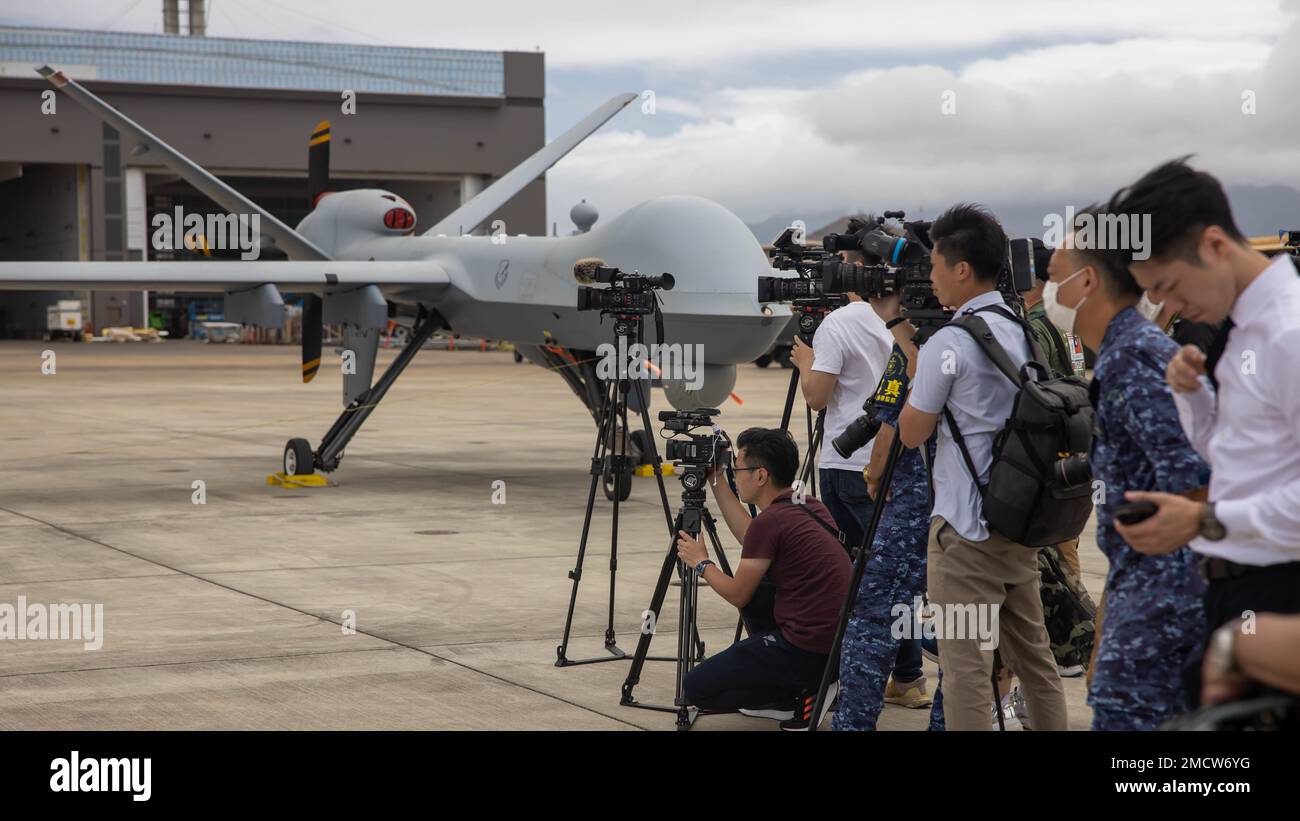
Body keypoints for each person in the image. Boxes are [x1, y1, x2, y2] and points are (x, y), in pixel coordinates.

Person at [1108, 159, 1300, 705]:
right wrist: (1194, 398)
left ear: (1215, 245)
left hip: (1280, 591)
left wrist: (1206, 518)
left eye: (1168, 286)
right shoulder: (1243, 330)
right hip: (1235, 586)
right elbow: (1240, 459)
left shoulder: (1288, 332)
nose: (1169, 308)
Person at [880, 202, 1068, 731]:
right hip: (1019, 520)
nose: (931, 278)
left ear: (962, 269)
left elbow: (913, 432)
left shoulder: (950, 342)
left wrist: (899, 331)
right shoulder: (1022, 328)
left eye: (936, 265)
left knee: (965, 671)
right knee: (1036, 663)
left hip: (965, 533)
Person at [1044, 205, 1210, 730]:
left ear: (1087, 280)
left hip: (1159, 606)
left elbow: (1194, 488)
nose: (1049, 292)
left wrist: (1136, 611)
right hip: (1149, 593)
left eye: (1053, 278)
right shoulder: (1130, 352)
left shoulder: (1131, 360)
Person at [790, 217, 928, 706]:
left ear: (853, 268)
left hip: (851, 467)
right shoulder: (911, 315)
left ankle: (871, 675)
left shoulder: (839, 323)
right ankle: (909, 677)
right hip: (901, 464)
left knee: (865, 578)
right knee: (901, 574)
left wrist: (806, 364)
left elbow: (818, 397)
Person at [676, 427, 851, 730]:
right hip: (839, 645)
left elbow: (737, 594)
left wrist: (701, 562)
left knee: (696, 689)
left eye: (738, 469)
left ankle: (806, 690)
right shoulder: (808, 504)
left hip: (806, 648)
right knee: (762, 594)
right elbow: (752, 536)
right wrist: (717, 479)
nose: (735, 475)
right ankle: (793, 694)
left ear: (760, 475)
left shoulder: (770, 522)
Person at [833, 337, 943, 729]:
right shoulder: (1006, 331)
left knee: (873, 618)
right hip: (979, 512)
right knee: (968, 629)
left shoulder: (922, 341)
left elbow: (893, 426)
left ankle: (854, 722)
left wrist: (873, 474)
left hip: (913, 507)